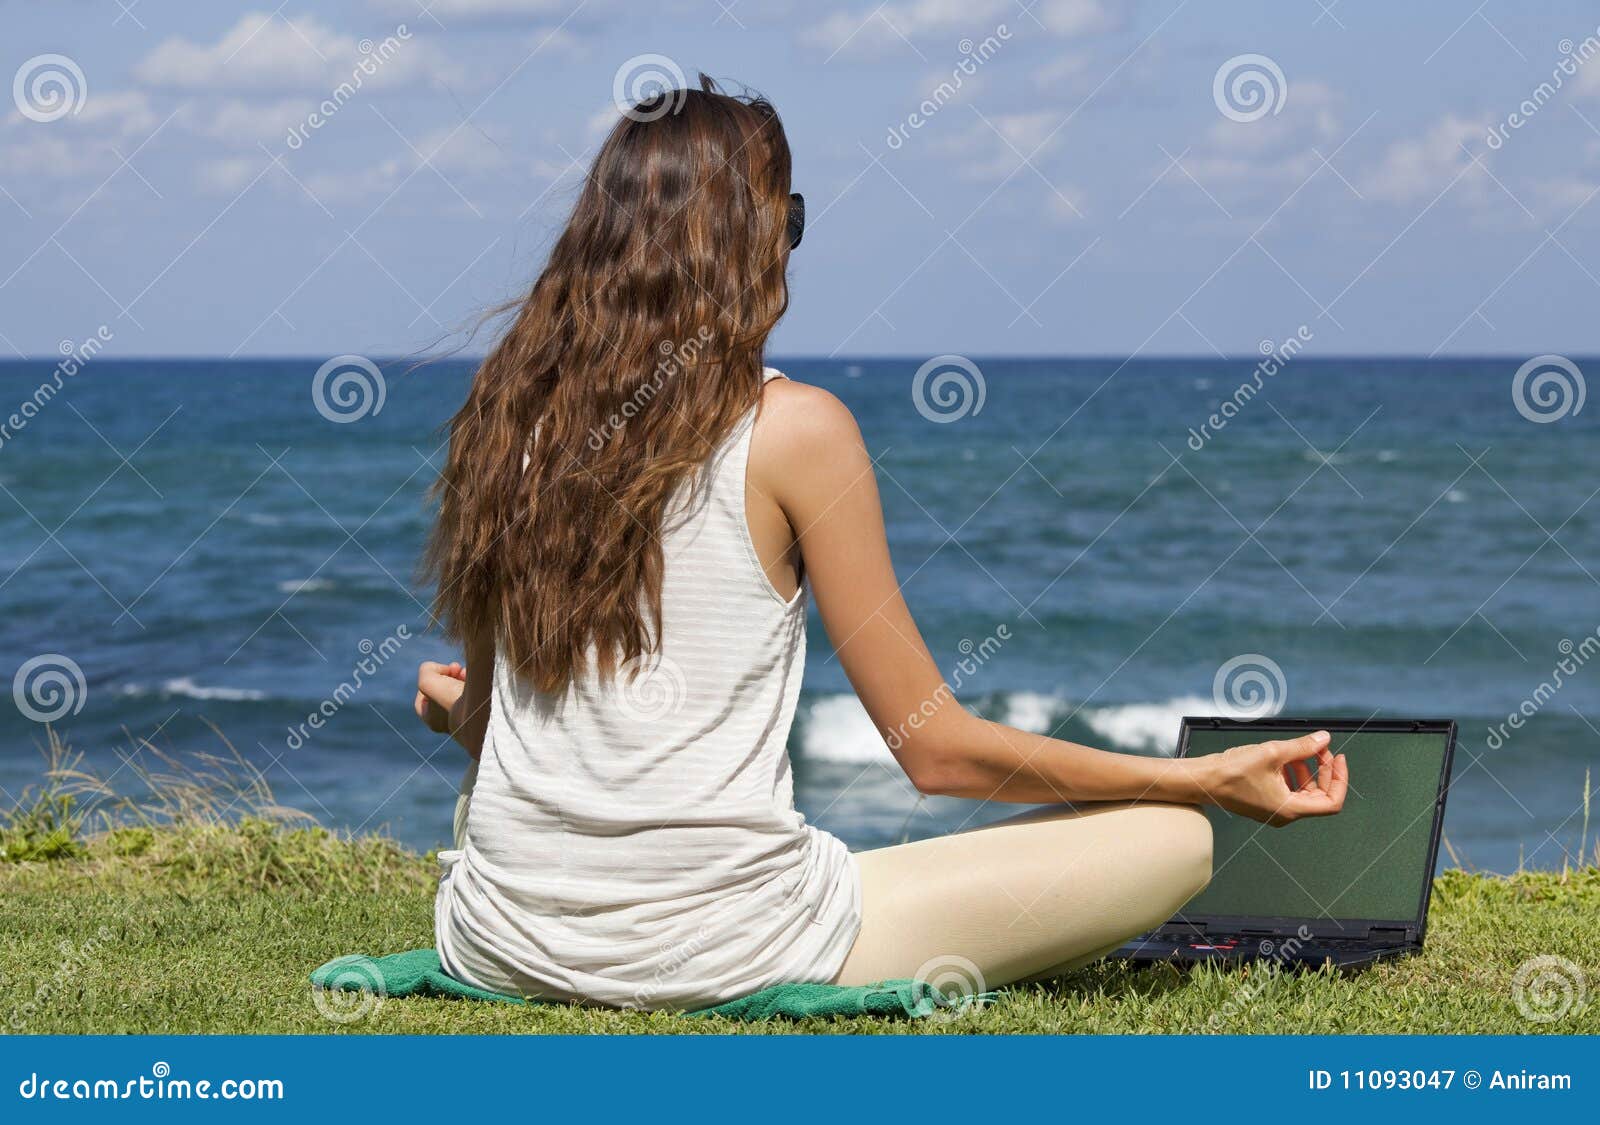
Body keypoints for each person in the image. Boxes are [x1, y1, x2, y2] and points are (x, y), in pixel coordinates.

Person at [412, 77, 1349, 1011]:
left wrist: (462, 714)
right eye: (788, 219)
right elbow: (935, 752)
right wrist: (1204, 778)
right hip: (718, 950)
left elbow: (493, 732)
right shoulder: (797, 430)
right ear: (745, 239)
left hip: (500, 939)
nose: (790, 249)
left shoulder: (500, 423)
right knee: (1176, 839)